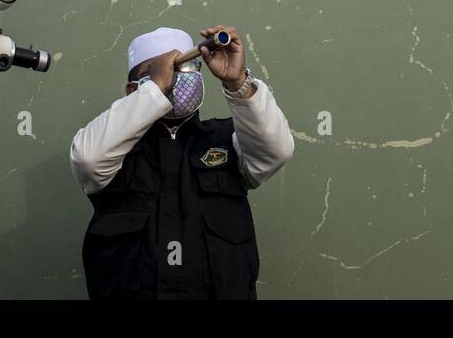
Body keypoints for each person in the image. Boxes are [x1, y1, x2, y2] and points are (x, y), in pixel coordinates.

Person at [69, 25, 294, 299]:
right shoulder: (112, 150)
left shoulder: (229, 140)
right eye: (158, 71)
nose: (172, 78)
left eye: (183, 68)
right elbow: (87, 159)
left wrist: (239, 83)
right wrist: (155, 90)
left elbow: (276, 151)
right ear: (132, 91)